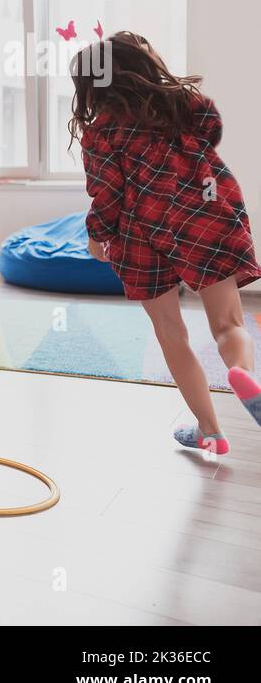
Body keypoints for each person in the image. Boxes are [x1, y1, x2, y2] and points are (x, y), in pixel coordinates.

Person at [73, 31, 261, 453]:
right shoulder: (183, 104)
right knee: (229, 324)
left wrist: (97, 236)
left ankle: (209, 429)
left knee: (170, 332)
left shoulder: (101, 132)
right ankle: (244, 375)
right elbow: (211, 128)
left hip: (140, 231)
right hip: (204, 213)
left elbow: (107, 193)